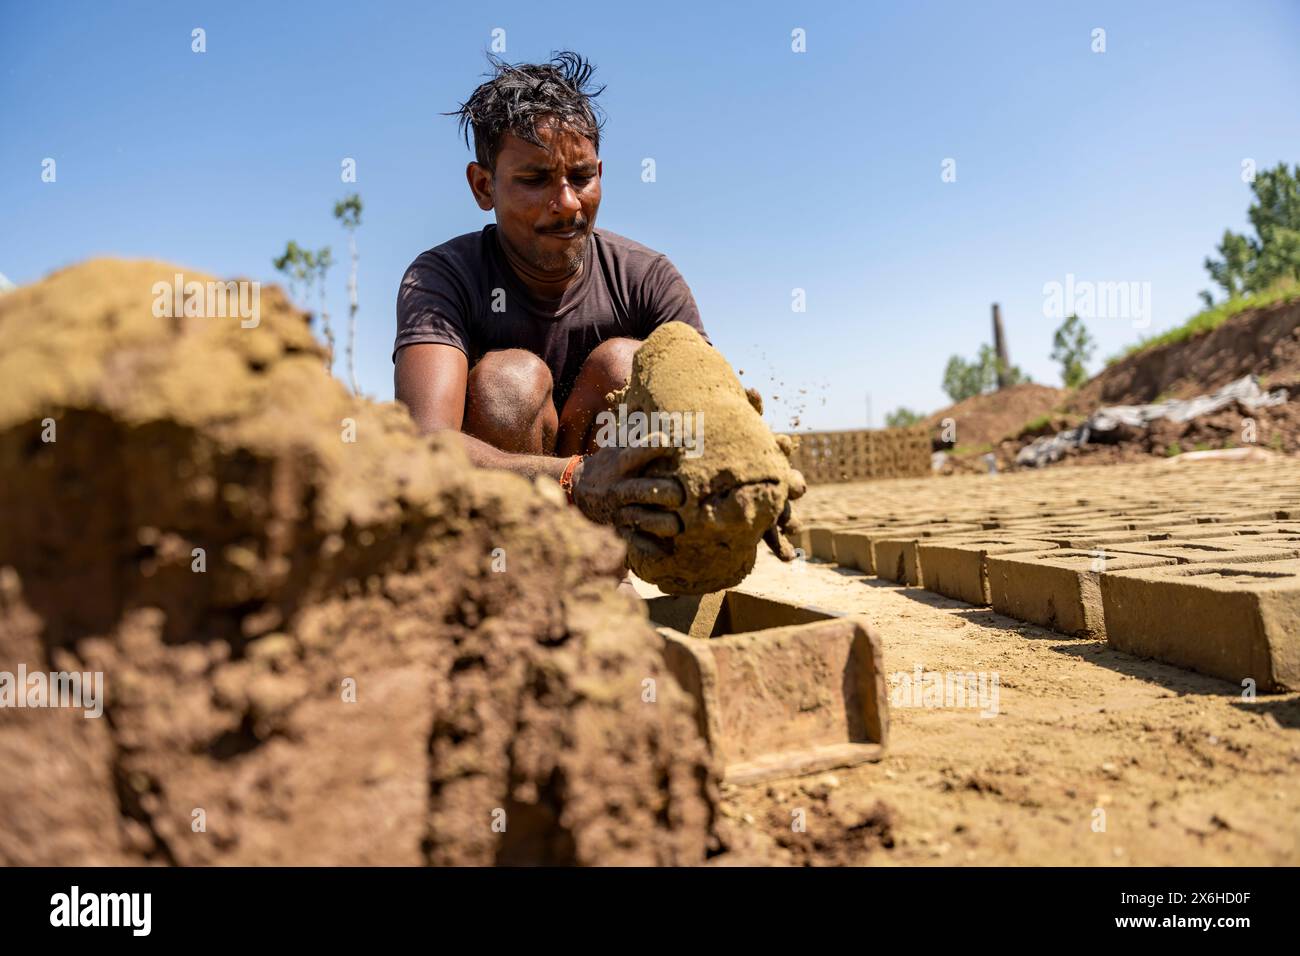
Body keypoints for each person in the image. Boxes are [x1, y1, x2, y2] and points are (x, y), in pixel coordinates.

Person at [395, 51, 792, 561]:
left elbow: (711, 412)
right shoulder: (442, 278)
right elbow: (427, 449)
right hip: (491, 547)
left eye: (580, 177)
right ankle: (517, 578)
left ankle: (602, 572)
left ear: (600, 171)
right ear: (482, 185)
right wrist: (573, 479)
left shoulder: (646, 276)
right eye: (534, 180)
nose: (566, 203)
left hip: (612, 542)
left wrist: (756, 471)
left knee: (625, 363)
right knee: (511, 380)